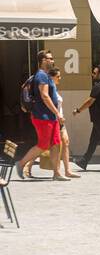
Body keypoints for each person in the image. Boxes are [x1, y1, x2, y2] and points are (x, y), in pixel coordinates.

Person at [20, 49, 66, 181]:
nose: (52, 61)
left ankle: (56, 173)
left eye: (52, 58)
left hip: (50, 117)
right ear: (43, 60)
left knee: (56, 144)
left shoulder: (47, 75)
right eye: (50, 58)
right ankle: (21, 164)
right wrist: (57, 113)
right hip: (42, 116)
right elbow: (45, 96)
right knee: (44, 145)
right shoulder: (41, 75)